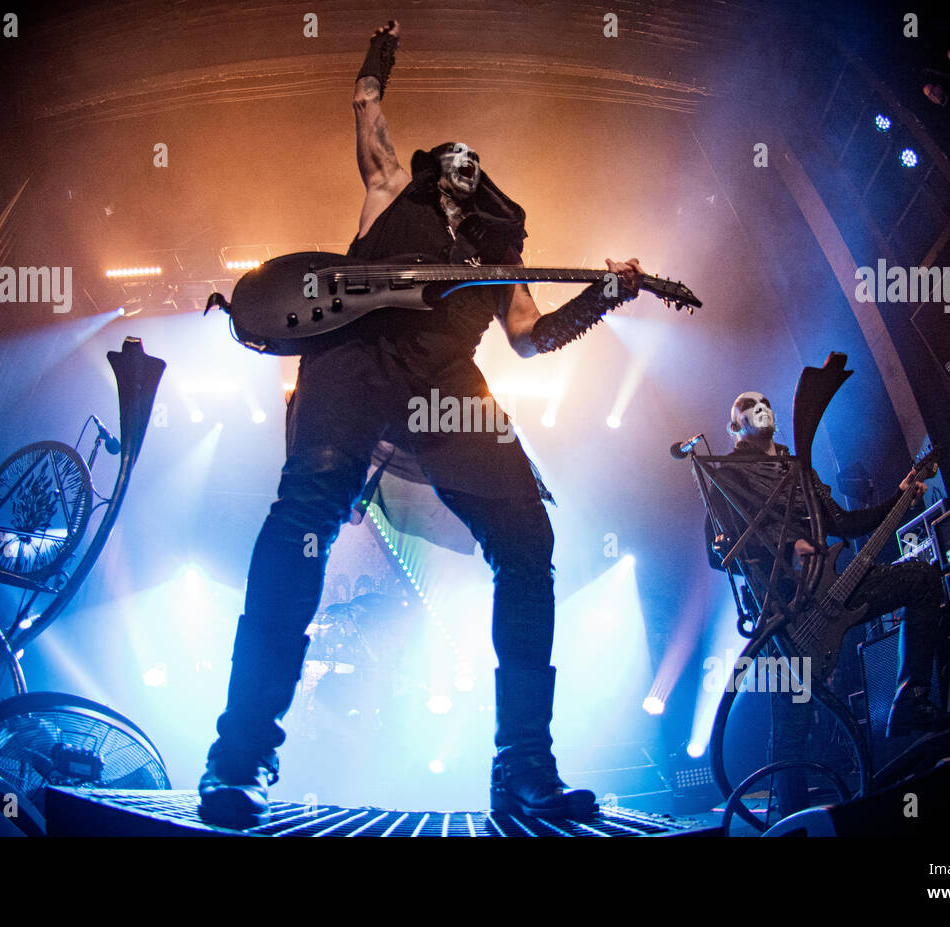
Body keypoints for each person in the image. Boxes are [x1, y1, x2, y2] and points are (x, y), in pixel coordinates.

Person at [198, 19, 645, 828]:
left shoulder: (499, 258)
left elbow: (530, 337)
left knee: (528, 545)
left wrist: (607, 295)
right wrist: (380, 55)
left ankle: (523, 765)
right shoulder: (389, 189)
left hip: (446, 382)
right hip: (358, 355)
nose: (465, 169)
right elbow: (367, 109)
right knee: (303, 518)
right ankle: (239, 756)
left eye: (477, 167)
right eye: (456, 160)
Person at [706, 391, 948, 738]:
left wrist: (900, 495)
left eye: (765, 402)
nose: (760, 407)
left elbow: (844, 523)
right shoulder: (726, 477)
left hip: (830, 589)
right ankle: (792, 789)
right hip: (784, 610)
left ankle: (912, 698)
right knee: (793, 727)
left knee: (922, 579)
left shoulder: (799, 468)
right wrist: (788, 549)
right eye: (747, 405)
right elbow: (717, 553)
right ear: (735, 426)